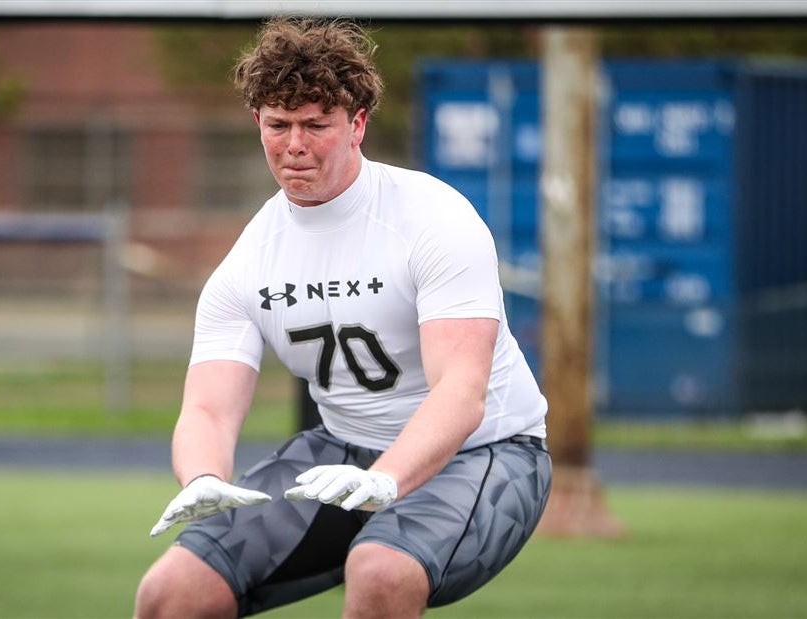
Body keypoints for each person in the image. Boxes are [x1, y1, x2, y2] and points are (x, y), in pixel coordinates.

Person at [134, 17, 551, 619]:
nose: (294, 145)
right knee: (171, 593)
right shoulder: (249, 260)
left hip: (487, 452)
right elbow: (207, 407)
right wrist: (201, 475)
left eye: (314, 125)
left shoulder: (434, 220)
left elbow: (463, 393)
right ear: (258, 124)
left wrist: (391, 477)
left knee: (380, 570)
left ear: (357, 125)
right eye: (278, 125)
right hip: (344, 451)